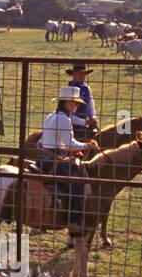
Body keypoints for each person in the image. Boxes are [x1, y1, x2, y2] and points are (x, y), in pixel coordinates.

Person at [38, 85, 97, 229]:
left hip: (43, 159)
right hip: (54, 161)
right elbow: (69, 144)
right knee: (76, 186)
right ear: (68, 103)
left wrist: (85, 122)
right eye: (75, 103)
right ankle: (74, 221)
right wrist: (87, 146)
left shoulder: (51, 116)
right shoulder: (64, 120)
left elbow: (73, 121)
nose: (77, 106)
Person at [64, 62, 99, 138]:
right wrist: (85, 122)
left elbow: (90, 106)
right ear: (73, 75)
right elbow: (67, 115)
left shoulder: (86, 88)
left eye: (83, 73)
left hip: (84, 125)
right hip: (70, 125)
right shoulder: (69, 90)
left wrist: (92, 117)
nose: (82, 76)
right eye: (79, 74)